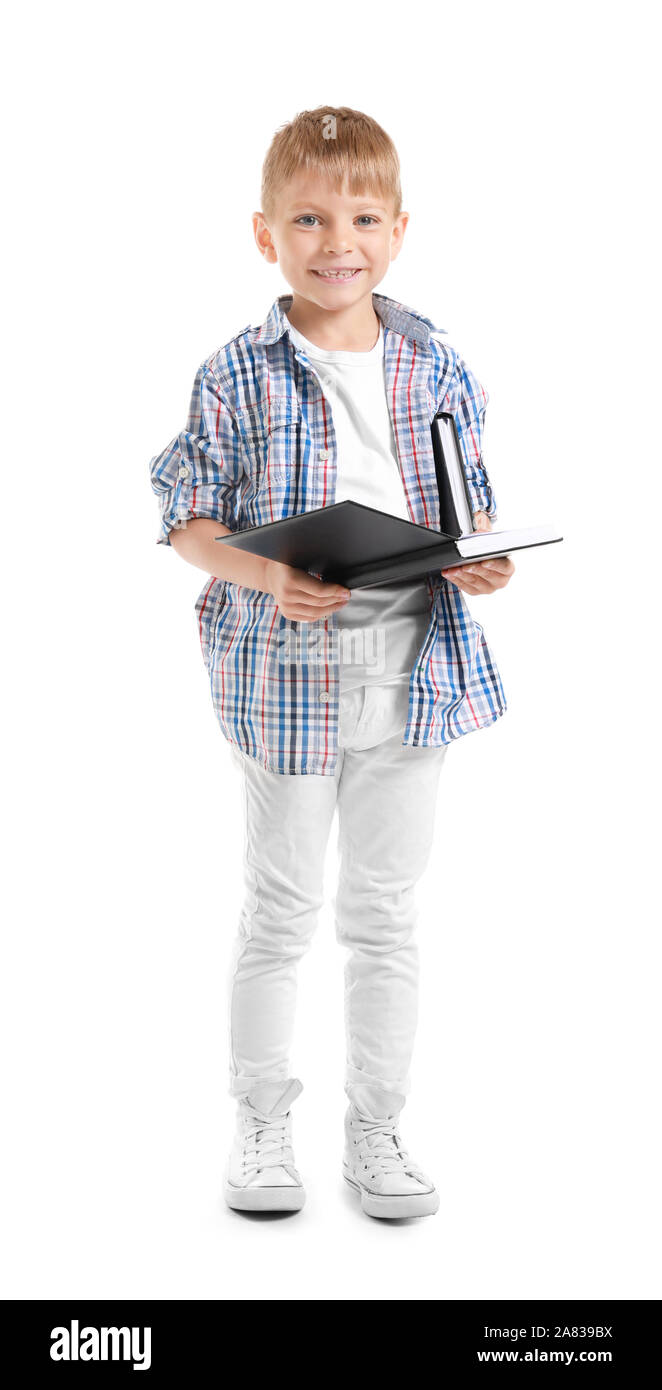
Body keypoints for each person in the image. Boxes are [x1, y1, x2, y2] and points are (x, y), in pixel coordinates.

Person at [148, 105, 515, 1220]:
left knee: (385, 914)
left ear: (396, 230)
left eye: (359, 216)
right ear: (265, 234)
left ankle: (376, 1129)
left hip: (414, 670)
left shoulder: (434, 358)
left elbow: (467, 504)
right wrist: (263, 577)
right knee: (280, 907)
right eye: (306, 219)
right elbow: (184, 519)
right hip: (287, 679)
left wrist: (478, 560)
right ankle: (261, 1125)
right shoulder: (236, 372)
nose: (334, 241)